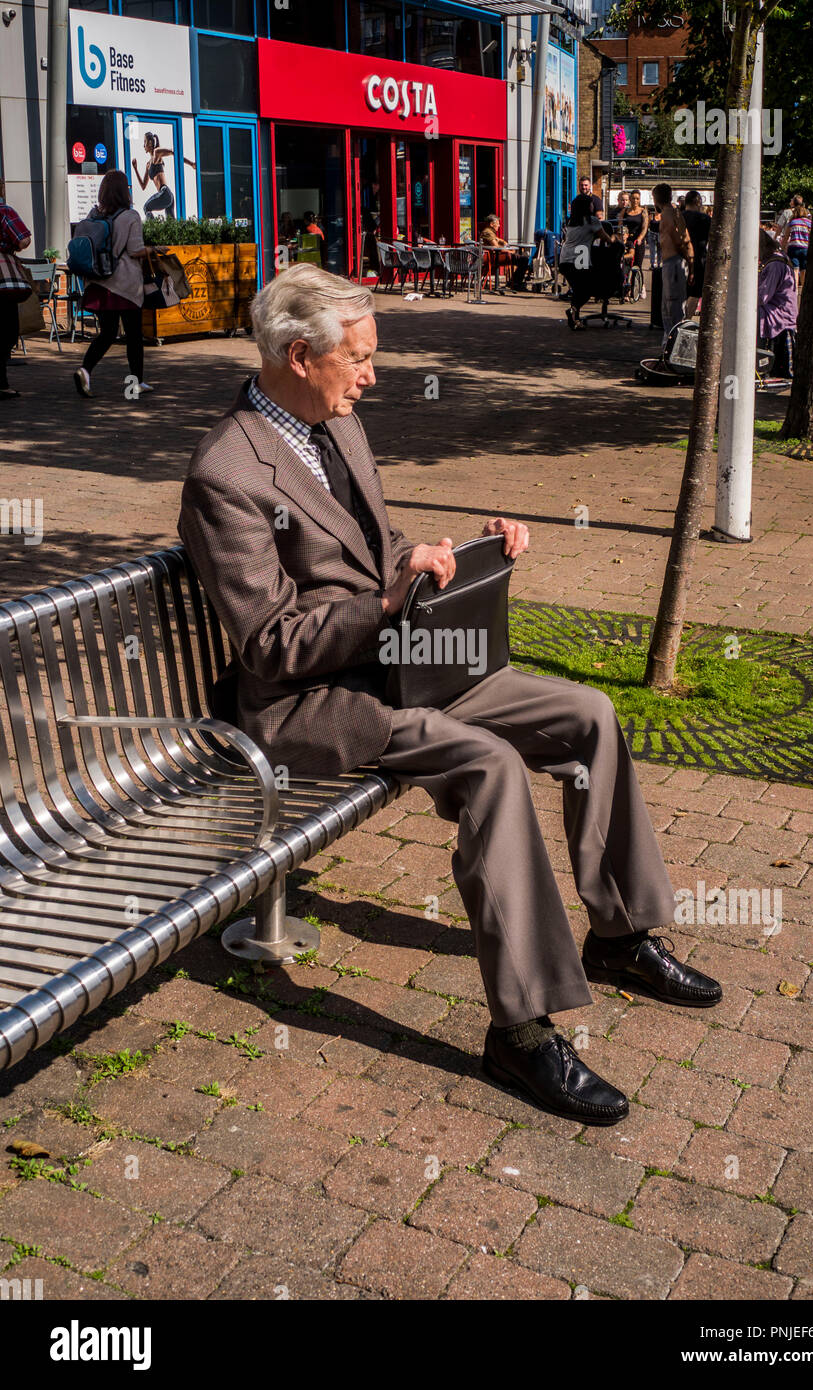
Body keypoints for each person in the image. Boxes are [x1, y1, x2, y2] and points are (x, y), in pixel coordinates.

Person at [177, 264, 724, 1126]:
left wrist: (463, 553)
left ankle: (619, 936)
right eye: (356, 358)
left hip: (408, 661)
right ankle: (522, 1030)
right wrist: (387, 602)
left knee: (590, 716)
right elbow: (270, 645)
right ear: (297, 354)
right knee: (491, 765)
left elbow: (382, 545)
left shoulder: (334, 421)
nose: (371, 374)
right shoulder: (226, 473)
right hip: (315, 701)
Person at [73, 170, 150, 400]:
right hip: (125, 286)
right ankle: (134, 385)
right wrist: (154, 251)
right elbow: (135, 250)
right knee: (134, 335)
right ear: (124, 190)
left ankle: (85, 371)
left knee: (107, 333)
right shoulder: (131, 216)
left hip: (99, 283)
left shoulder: (94, 213)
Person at [559, 194, 615, 328]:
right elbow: (606, 238)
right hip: (580, 258)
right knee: (587, 289)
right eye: (591, 204)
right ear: (586, 206)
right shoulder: (592, 221)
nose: (593, 206)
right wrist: (615, 240)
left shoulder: (572, 221)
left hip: (565, 259)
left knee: (579, 289)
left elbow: (583, 235)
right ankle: (573, 311)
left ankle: (575, 320)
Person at [0, 178, 31, 401]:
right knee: (7, 330)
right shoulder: (5, 211)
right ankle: (1, 384)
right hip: (3, 276)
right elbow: (23, 240)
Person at [653, 182, 694, 349]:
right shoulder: (672, 212)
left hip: (674, 264)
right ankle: (669, 348)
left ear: (656, 198)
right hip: (673, 263)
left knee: (673, 309)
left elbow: (680, 238)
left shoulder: (669, 214)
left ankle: (675, 348)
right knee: (668, 309)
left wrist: (687, 260)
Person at [757, 228, 798, 379]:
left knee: (751, 315)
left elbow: (763, 297)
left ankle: (759, 363)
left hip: (779, 313)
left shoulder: (774, 264)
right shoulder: (780, 258)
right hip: (783, 310)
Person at [132, 132, 195, 220]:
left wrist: (191, 164)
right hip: (167, 196)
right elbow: (143, 186)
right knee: (171, 224)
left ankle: (153, 231)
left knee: (146, 207)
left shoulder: (156, 153)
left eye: (145, 142)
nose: (143, 145)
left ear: (150, 143)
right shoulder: (148, 164)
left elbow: (173, 152)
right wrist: (135, 169)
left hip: (164, 192)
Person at [480, 213, 528, 295]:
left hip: (495, 255)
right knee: (523, 260)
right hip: (493, 257)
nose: (499, 226)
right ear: (492, 224)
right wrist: (509, 251)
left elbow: (498, 240)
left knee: (521, 259)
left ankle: (514, 282)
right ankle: (515, 283)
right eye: (498, 224)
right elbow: (496, 247)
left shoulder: (490, 232)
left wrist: (504, 243)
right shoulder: (487, 232)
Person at [682, 189, 711, 318]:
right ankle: (687, 319)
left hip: (679, 257)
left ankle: (679, 319)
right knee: (695, 293)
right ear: (698, 202)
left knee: (681, 292)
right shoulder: (705, 219)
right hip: (699, 259)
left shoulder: (679, 217)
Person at [621, 191, 649, 299]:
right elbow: (620, 225)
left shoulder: (643, 211)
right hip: (627, 241)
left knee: (637, 265)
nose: (635, 201)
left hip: (638, 241)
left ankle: (639, 287)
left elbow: (644, 227)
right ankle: (626, 290)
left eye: (637, 198)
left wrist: (640, 238)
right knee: (626, 265)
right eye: (633, 198)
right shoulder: (625, 211)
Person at [780, 195, 811, 291]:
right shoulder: (809, 223)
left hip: (793, 248)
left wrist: (782, 247)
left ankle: (795, 291)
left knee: (795, 270)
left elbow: (786, 236)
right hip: (805, 248)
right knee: (804, 270)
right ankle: (804, 291)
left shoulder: (792, 222)